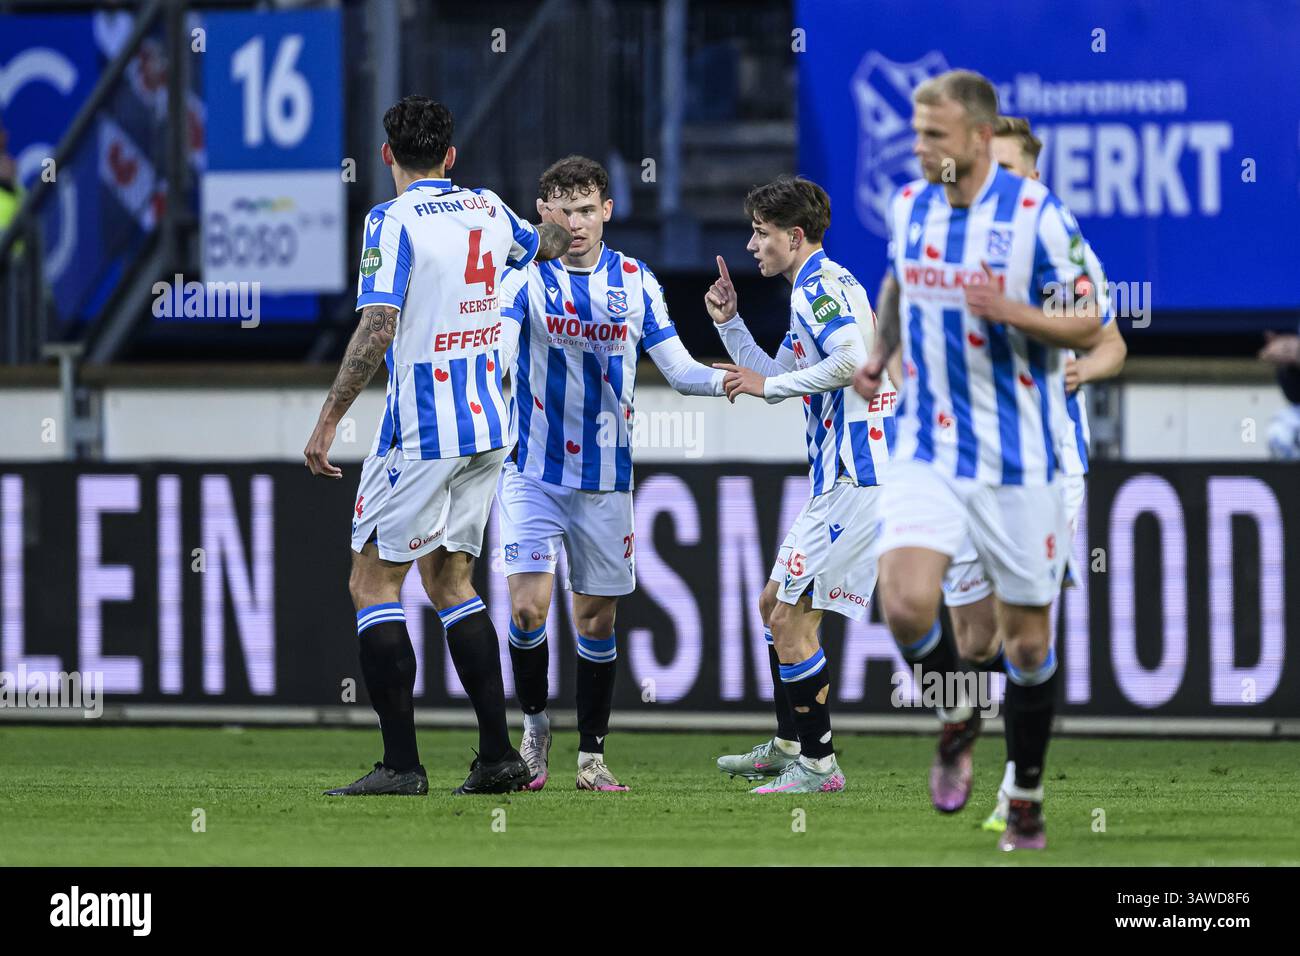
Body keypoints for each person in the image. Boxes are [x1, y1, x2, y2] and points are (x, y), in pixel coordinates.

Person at [854, 70, 1104, 849]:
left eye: (932, 135)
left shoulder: (1037, 216)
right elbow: (898, 280)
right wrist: (881, 350)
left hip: (1021, 458)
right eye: (917, 132)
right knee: (903, 604)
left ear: (974, 137)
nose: (919, 147)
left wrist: (1017, 312)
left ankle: (1025, 792)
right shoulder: (910, 206)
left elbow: (1092, 316)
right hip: (929, 445)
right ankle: (959, 709)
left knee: (1026, 643)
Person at [303, 95, 571, 796]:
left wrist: (330, 417)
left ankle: (400, 766)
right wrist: (552, 225)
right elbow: (544, 243)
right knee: (451, 583)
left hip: (421, 432)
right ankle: (497, 757)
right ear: (450, 157)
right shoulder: (484, 206)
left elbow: (379, 322)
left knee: (371, 582)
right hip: (488, 427)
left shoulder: (390, 221)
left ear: (387, 155)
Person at [497, 155, 725, 791]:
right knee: (525, 609)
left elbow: (678, 371)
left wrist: (740, 381)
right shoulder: (525, 280)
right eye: (563, 210)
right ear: (543, 212)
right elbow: (493, 353)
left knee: (596, 620)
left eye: (587, 209)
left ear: (607, 211)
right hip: (532, 471)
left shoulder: (636, 280)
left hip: (605, 480)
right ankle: (536, 726)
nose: (576, 222)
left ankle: (591, 756)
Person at [708, 175, 896, 794]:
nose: (752, 244)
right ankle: (791, 745)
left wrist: (768, 388)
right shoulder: (815, 288)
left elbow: (850, 362)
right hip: (843, 479)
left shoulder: (820, 287)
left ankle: (819, 765)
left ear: (794, 236)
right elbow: (783, 371)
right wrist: (732, 325)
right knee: (774, 606)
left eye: (761, 234)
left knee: (790, 619)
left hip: (856, 477)